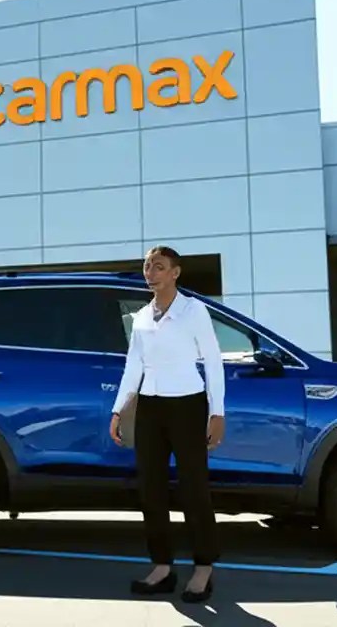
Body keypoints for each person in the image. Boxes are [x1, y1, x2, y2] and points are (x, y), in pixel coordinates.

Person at [109, 245, 225, 603]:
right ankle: (161, 566)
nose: (150, 272)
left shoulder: (194, 311)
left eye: (158, 267)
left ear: (175, 272)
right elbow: (133, 367)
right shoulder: (142, 316)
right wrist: (118, 411)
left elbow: (214, 362)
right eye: (147, 267)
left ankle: (203, 568)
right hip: (149, 408)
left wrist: (216, 412)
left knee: (193, 489)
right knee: (152, 490)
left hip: (188, 406)